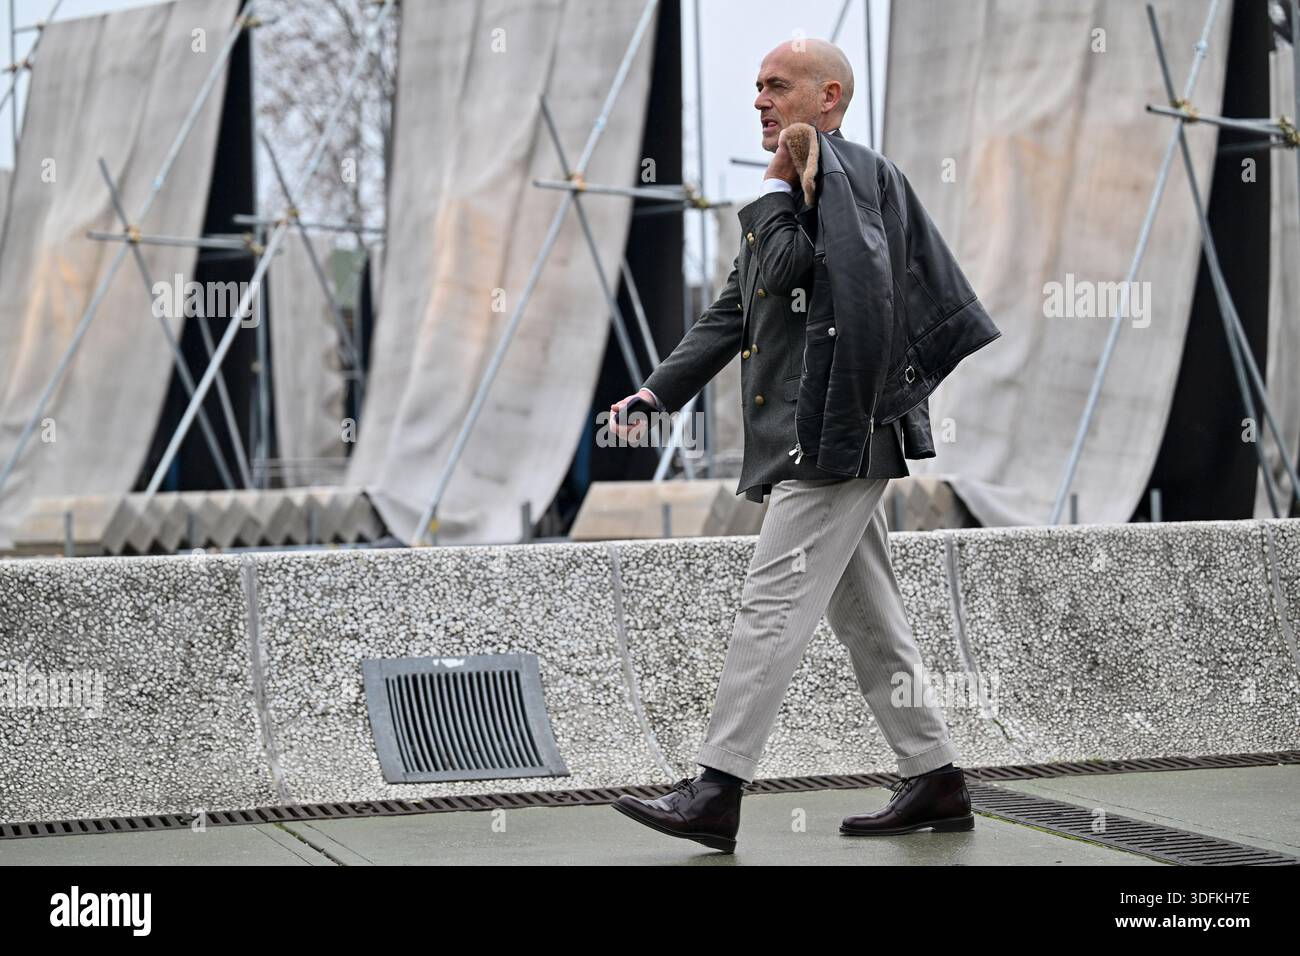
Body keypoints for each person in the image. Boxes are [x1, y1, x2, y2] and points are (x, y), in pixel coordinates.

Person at [607, 37, 996, 854]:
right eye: (753, 86)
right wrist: (656, 392)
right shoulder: (815, 185)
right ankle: (935, 776)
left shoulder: (845, 181)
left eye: (775, 86)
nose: (758, 100)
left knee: (770, 605)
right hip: (828, 434)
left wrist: (782, 187)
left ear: (828, 96)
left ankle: (716, 788)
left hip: (830, 438)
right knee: (869, 618)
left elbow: (834, 286)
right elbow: (734, 312)